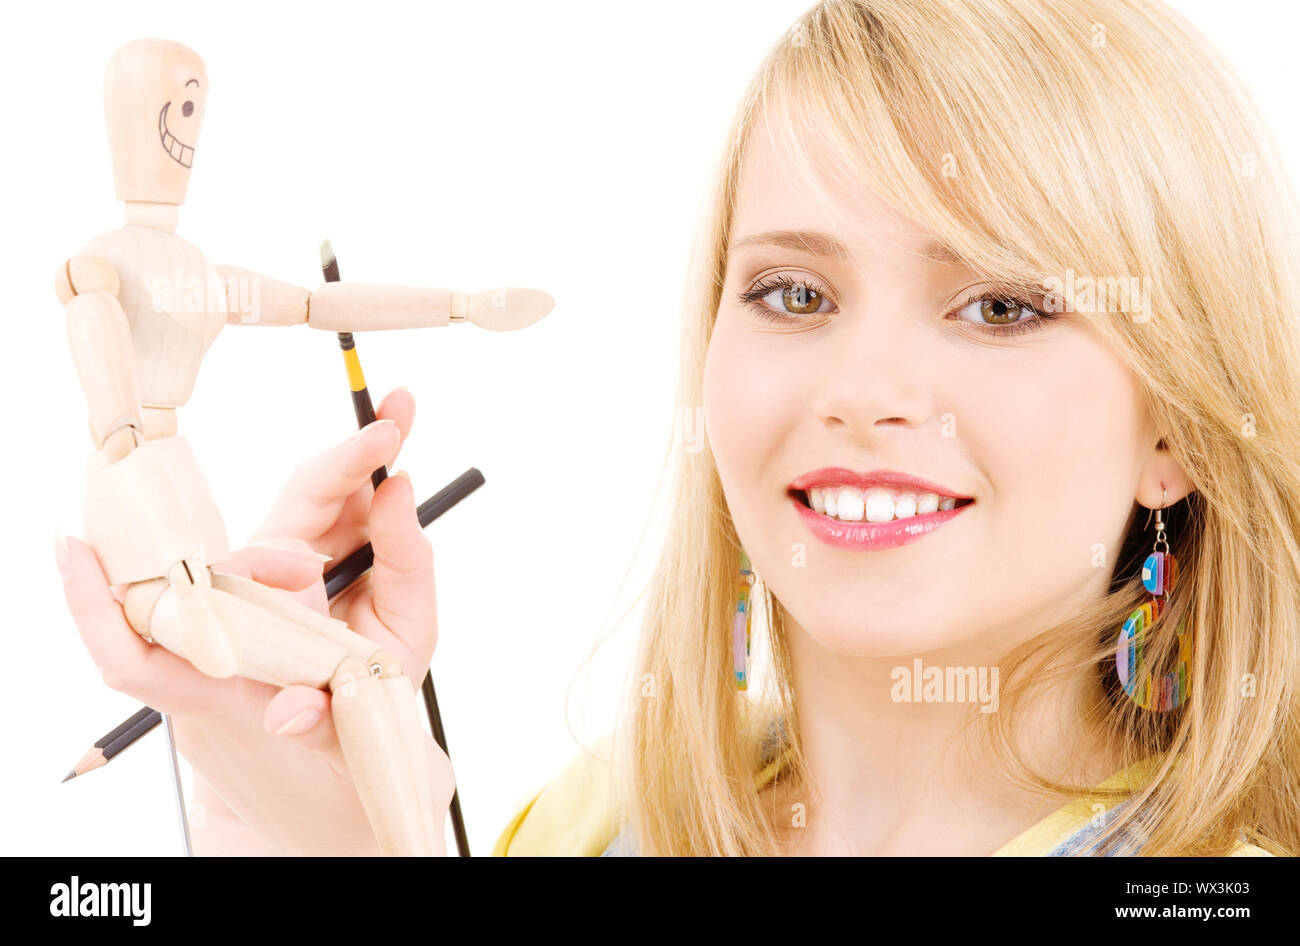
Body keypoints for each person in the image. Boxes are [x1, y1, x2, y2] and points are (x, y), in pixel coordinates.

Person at [57, 0, 1299, 856]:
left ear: (1176, 428)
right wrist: (304, 823)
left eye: (1000, 306)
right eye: (794, 294)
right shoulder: (594, 821)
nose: (861, 388)